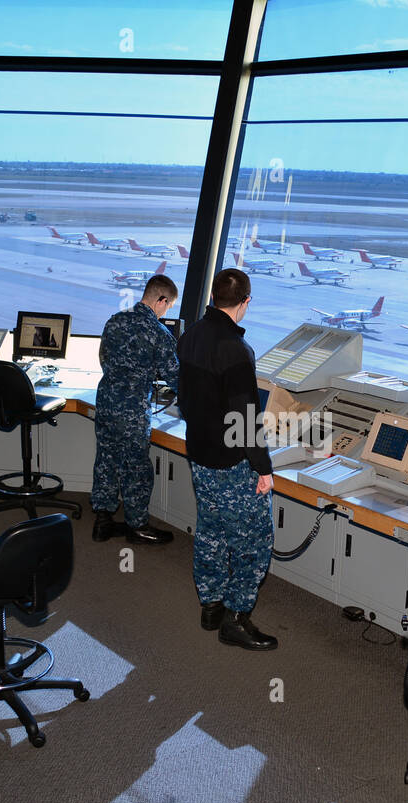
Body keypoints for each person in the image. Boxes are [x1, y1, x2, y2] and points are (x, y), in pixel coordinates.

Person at [177, 268, 276, 651]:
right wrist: (263, 469)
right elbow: (246, 419)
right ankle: (236, 618)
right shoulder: (236, 350)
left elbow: (185, 398)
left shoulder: (190, 336)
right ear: (245, 301)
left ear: (213, 297)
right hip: (232, 464)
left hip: (200, 455)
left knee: (212, 531)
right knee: (254, 541)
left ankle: (211, 606)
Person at [91, 275, 180, 545]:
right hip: (132, 410)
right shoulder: (158, 332)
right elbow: (176, 378)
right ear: (161, 300)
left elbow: (104, 359)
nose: (166, 311)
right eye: (168, 305)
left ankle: (103, 521)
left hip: (106, 402)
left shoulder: (115, 321)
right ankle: (138, 526)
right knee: (137, 469)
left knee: (106, 460)